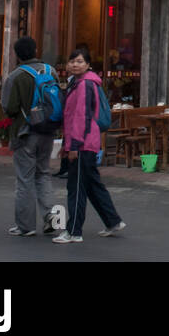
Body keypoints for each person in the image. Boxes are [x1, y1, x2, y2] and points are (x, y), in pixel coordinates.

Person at [55, 47, 125, 244]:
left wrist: (74, 146)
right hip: (86, 141)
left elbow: (81, 117)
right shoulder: (78, 83)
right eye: (72, 61)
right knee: (92, 184)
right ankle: (113, 221)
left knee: (76, 188)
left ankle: (74, 231)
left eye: (79, 61)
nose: (75, 64)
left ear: (87, 64)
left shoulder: (85, 84)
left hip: (83, 143)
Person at [1, 37, 59, 237]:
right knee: (43, 174)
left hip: (25, 132)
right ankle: (51, 218)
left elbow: (9, 108)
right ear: (36, 49)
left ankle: (26, 226)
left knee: (25, 179)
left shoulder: (16, 76)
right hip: (48, 131)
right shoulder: (51, 71)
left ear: (16, 55)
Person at [53, 59, 76, 180]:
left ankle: (69, 170)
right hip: (67, 117)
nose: (72, 66)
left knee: (70, 144)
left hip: (74, 119)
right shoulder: (70, 81)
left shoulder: (78, 82)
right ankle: (64, 169)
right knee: (65, 143)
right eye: (70, 63)